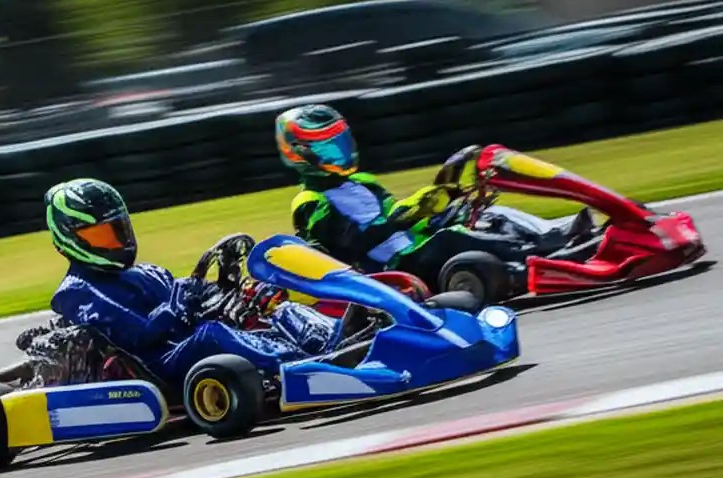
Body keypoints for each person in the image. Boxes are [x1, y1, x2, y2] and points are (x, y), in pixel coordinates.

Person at [44, 177, 355, 387]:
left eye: (118, 230)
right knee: (212, 333)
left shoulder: (148, 272)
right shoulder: (75, 291)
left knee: (270, 308)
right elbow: (139, 336)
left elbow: (196, 294)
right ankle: (302, 366)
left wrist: (237, 288)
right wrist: (178, 303)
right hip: (159, 364)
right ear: (69, 238)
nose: (116, 242)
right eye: (101, 235)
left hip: (185, 343)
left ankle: (334, 340)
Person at [275, 103, 593, 285]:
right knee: (451, 239)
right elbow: (358, 241)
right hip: (391, 269)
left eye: (340, 143)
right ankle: (544, 258)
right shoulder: (310, 203)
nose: (339, 153)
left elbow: (393, 212)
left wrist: (442, 204)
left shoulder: (362, 182)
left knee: (479, 216)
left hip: (413, 245)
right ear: (300, 154)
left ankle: (551, 238)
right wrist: (412, 214)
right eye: (327, 148)